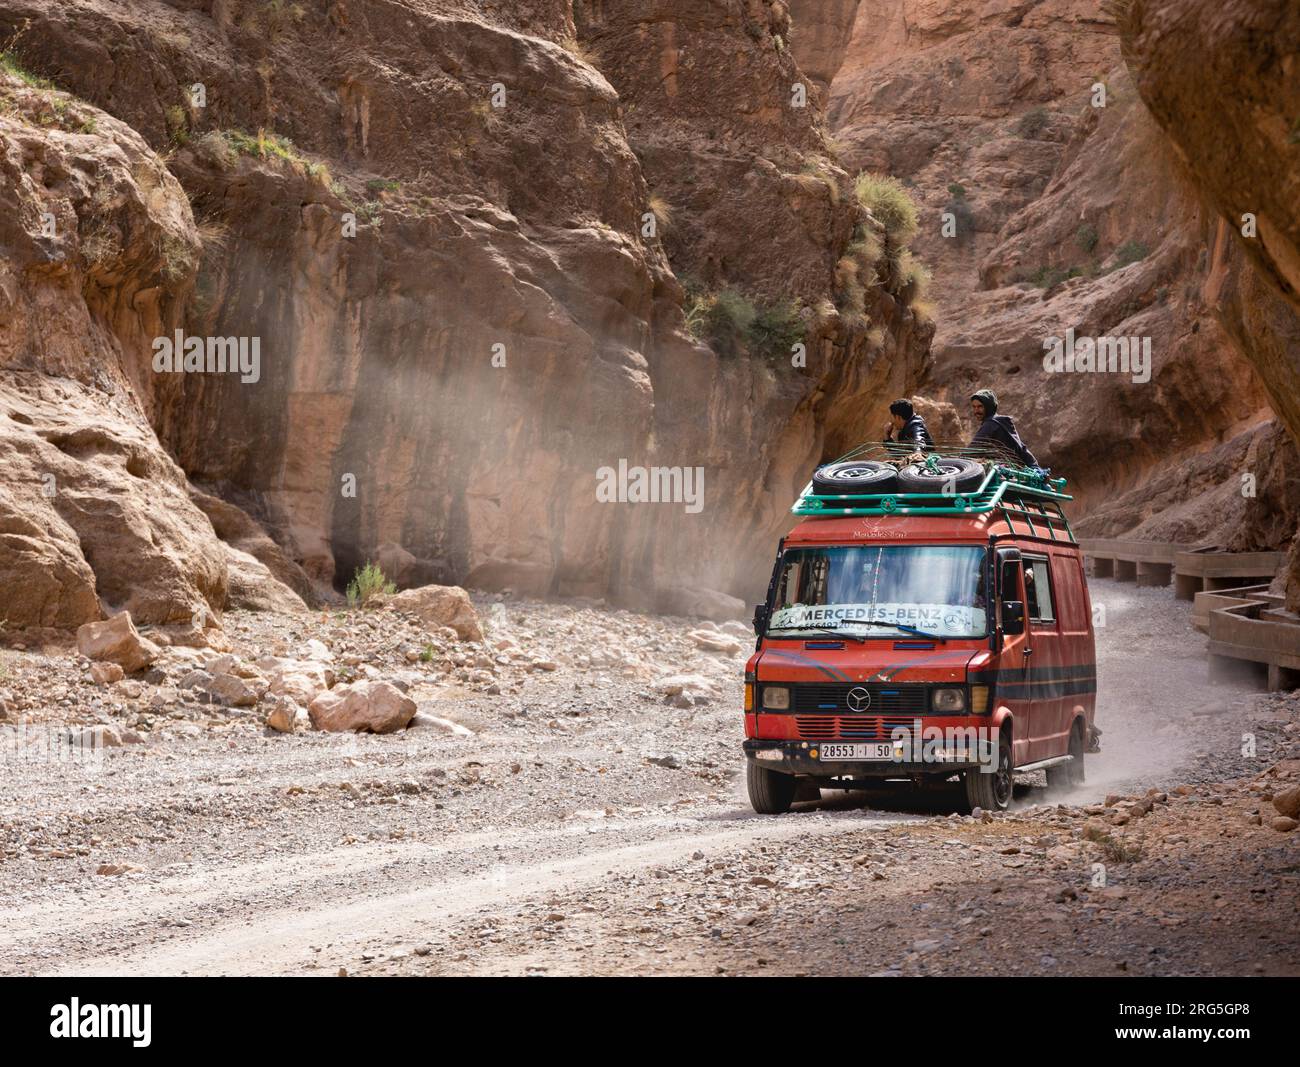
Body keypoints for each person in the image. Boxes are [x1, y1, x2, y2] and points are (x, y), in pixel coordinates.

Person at [968, 389, 1040, 468]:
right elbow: (1022, 448)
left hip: (1007, 470)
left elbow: (971, 451)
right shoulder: (1002, 422)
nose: (976, 411)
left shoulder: (990, 425)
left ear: (989, 407)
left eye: (980, 406)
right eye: (974, 407)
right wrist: (1035, 467)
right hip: (1017, 468)